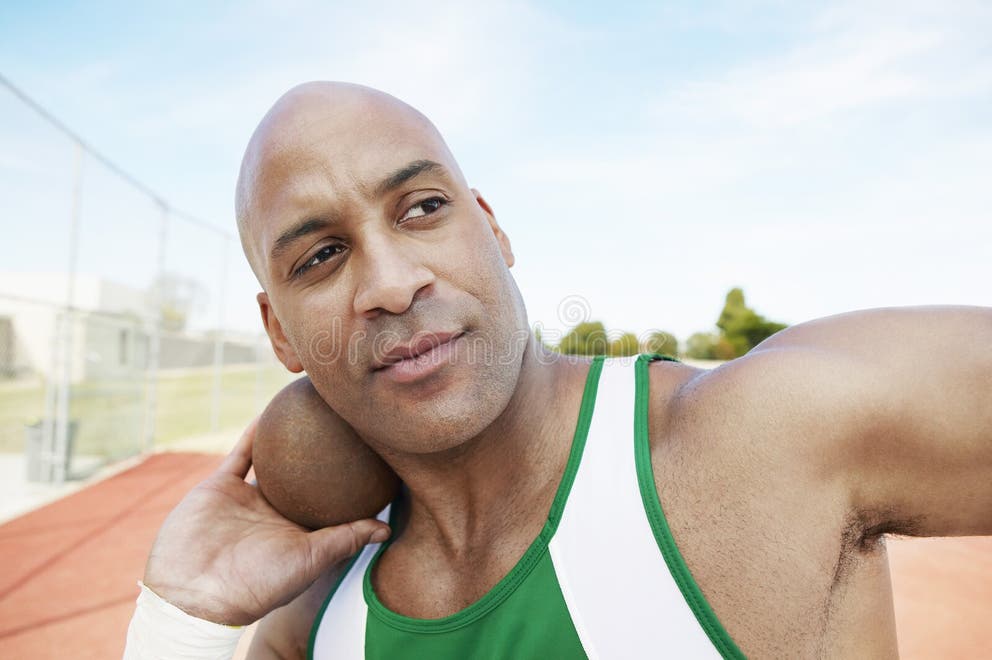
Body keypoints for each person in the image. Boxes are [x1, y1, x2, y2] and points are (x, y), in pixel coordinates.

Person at [126, 81, 992, 659]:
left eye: (423, 208)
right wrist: (180, 616)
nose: (391, 285)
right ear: (279, 332)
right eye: (320, 256)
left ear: (491, 229)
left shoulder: (768, 431)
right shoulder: (314, 616)